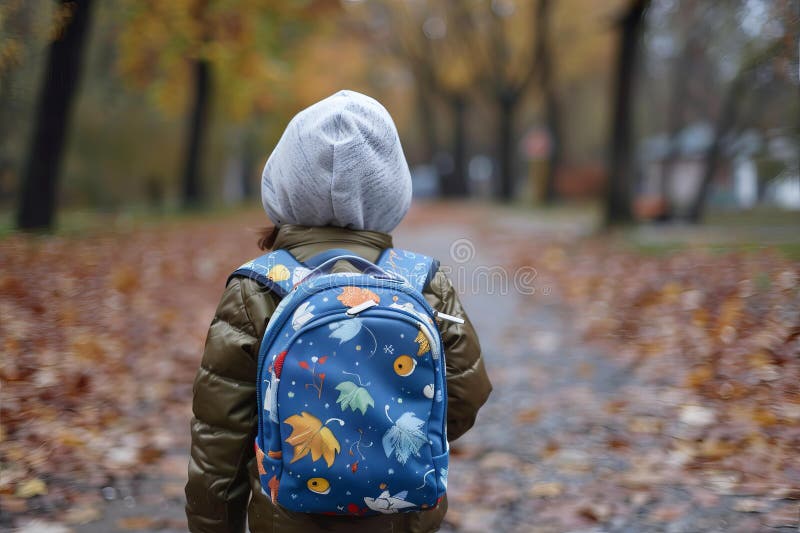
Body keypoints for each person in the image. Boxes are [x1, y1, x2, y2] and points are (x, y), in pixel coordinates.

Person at [185, 90, 492, 532]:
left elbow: (219, 442)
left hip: (287, 515)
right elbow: (463, 398)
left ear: (283, 182)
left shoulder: (257, 286)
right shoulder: (422, 281)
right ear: (392, 189)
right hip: (402, 514)